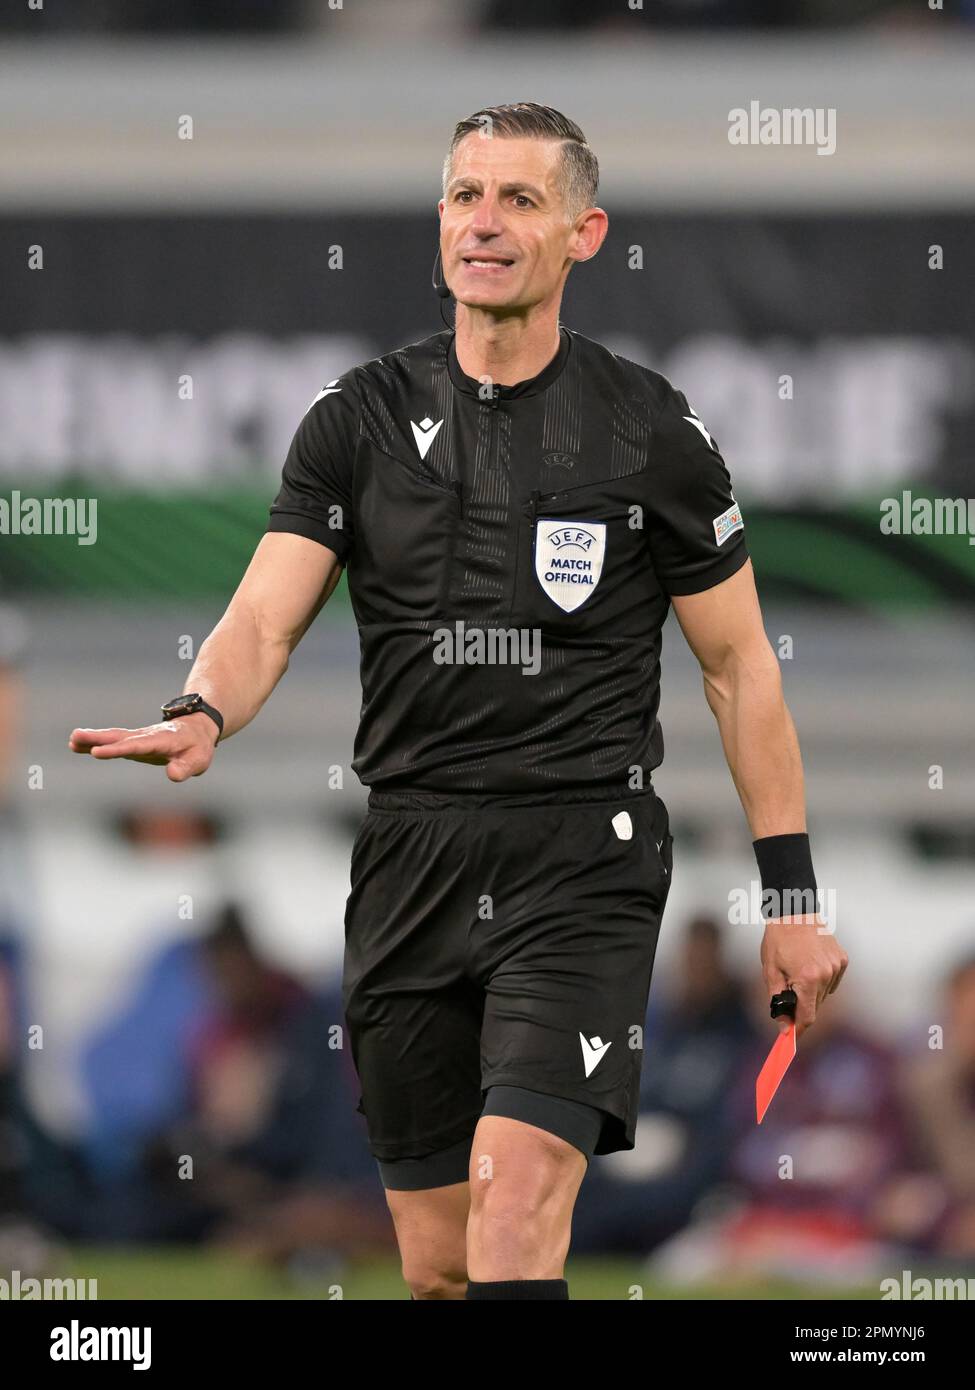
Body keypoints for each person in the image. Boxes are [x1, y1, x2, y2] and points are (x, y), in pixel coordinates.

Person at [69, 102, 848, 1300]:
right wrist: (202, 709)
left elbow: (741, 667)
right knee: (439, 1270)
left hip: (581, 857)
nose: (483, 224)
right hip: (409, 858)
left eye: (519, 200)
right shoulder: (356, 422)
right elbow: (262, 619)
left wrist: (791, 896)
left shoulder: (653, 432)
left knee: (518, 1196)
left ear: (585, 234)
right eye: (463, 196)